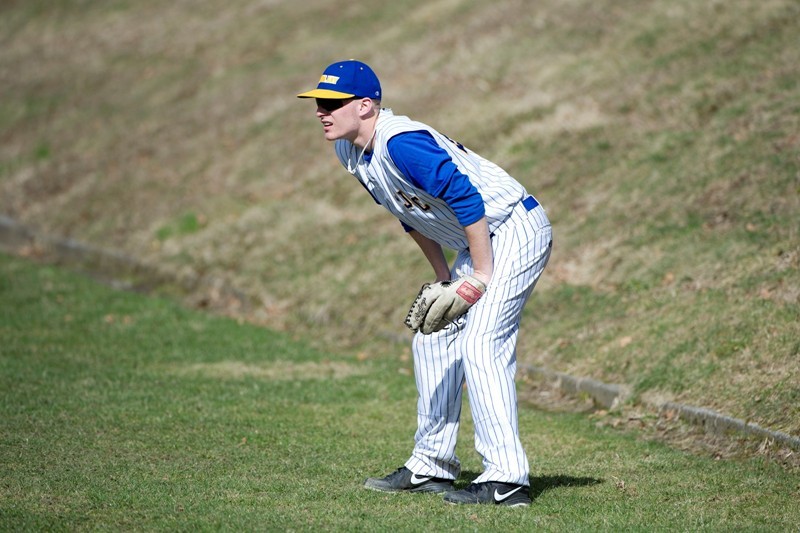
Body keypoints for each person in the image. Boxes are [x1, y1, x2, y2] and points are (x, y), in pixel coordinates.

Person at [297, 60, 552, 507]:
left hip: (512, 228)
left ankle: (507, 480)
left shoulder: (403, 144)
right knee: (432, 341)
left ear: (365, 105)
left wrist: (480, 277)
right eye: (318, 102)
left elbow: (466, 199)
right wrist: (442, 277)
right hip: (476, 242)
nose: (322, 111)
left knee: (481, 344)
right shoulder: (350, 150)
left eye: (332, 103)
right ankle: (432, 466)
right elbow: (407, 213)